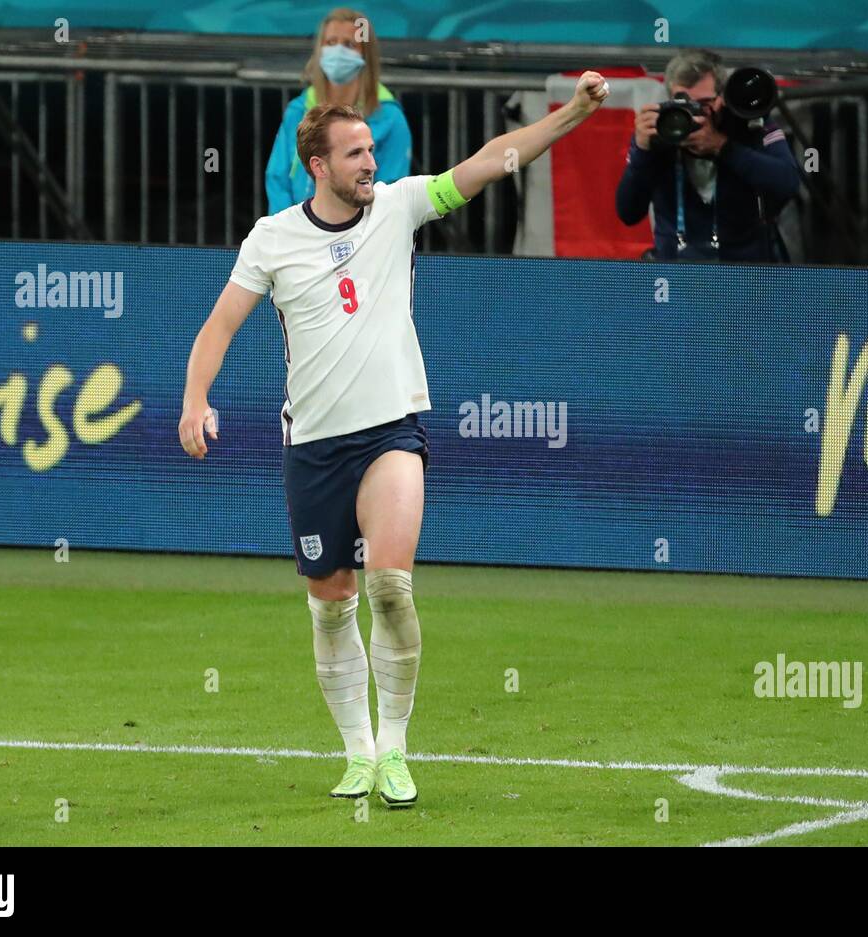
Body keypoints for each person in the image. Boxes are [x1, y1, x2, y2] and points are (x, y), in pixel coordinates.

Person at [179, 72, 611, 808]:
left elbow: (492, 158)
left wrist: (571, 112)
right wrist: (195, 402)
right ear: (316, 166)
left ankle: (396, 747)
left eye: (371, 150)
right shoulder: (272, 239)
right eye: (353, 154)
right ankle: (356, 752)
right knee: (331, 601)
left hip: (392, 430)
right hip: (314, 444)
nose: (369, 163)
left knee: (389, 584)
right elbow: (220, 325)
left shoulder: (402, 207)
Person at [616, 49, 800, 262]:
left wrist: (723, 147)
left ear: (722, 98)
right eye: (683, 102)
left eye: (703, 104)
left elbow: (788, 182)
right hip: (676, 270)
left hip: (743, 271)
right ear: (670, 99)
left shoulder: (749, 124)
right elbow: (628, 213)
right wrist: (642, 151)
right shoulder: (661, 129)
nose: (694, 113)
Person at [265, 7, 413, 215]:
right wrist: (286, 228)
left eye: (349, 44)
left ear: (366, 54)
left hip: (361, 236)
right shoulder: (297, 111)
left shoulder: (390, 118)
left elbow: (392, 193)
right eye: (331, 43)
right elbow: (277, 178)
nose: (338, 52)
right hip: (297, 232)